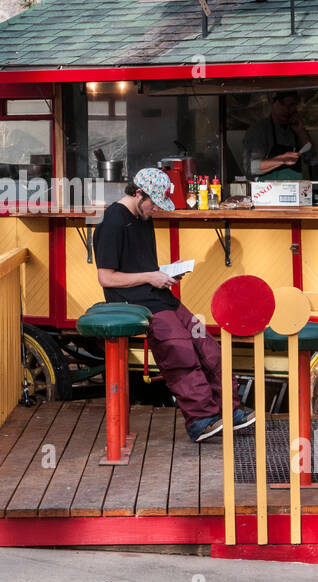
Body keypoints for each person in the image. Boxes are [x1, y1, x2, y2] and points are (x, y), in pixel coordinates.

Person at [92, 168, 255, 443]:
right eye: (153, 202)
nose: (156, 209)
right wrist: (151, 277)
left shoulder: (142, 215)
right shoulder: (112, 222)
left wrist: (166, 273)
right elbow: (106, 277)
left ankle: (229, 411)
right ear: (138, 193)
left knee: (208, 347)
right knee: (179, 351)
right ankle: (200, 420)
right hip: (133, 301)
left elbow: (141, 266)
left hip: (158, 295)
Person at [242, 90, 318, 180]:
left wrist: (301, 132)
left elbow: (314, 160)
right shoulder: (260, 129)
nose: (286, 109)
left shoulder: (295, 128)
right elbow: (250, 168)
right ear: (272, 102)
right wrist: (281, 160)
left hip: (294, 190)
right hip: (267, 191)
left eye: (291, 105)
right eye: (282, 104)